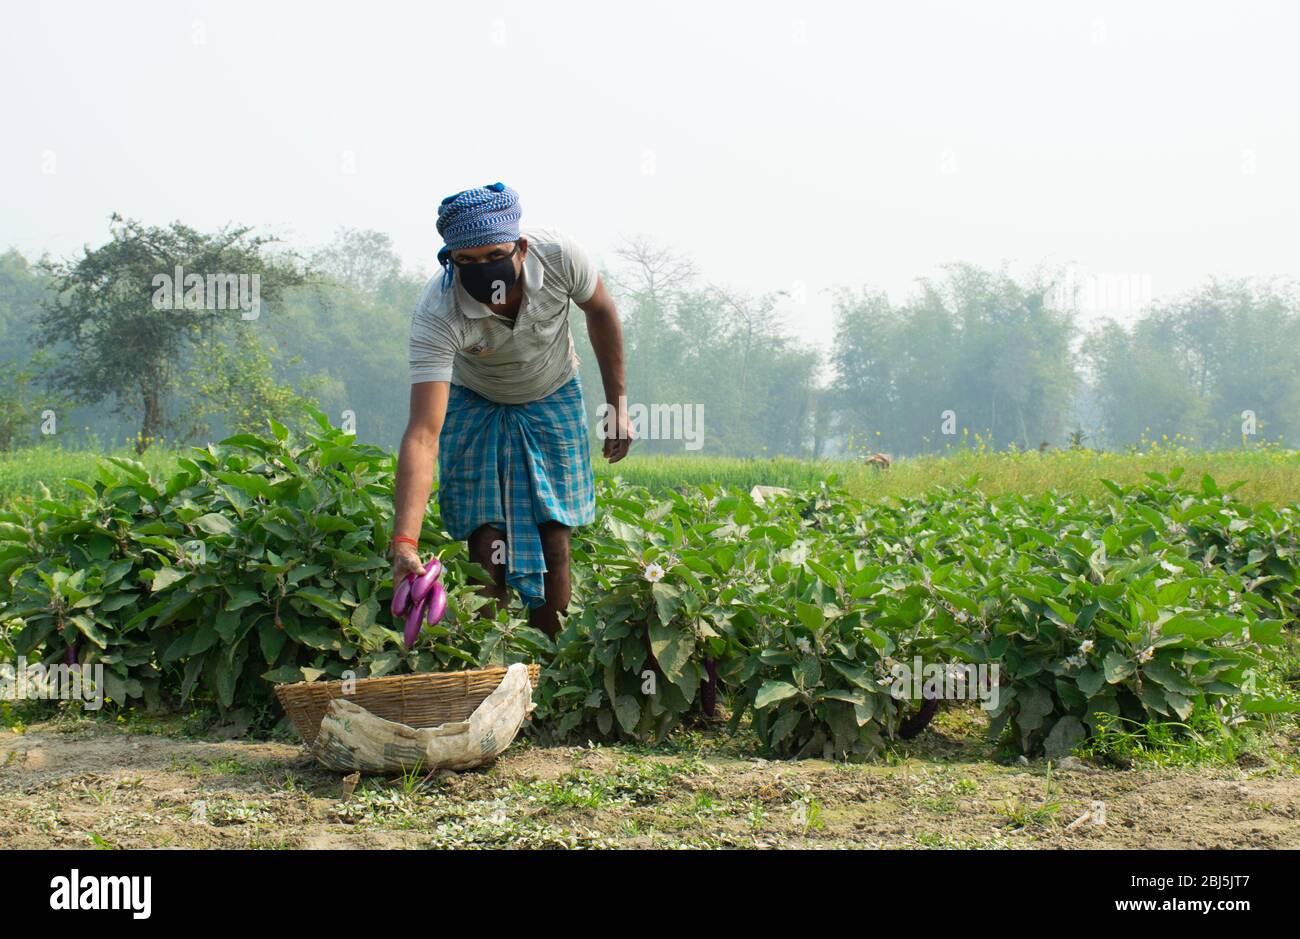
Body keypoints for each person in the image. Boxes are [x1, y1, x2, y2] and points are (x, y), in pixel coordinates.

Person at [391, 182, 630, 637]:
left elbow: (601, 312)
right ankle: (491, 665)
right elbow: (423, 432)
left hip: (552, 390)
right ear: (450, 260)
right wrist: (404, 543)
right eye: (467, 262)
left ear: (521, 248)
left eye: (494, 255)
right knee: (488, 544)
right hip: (475, 401)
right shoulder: (439, 314)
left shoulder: (561, 257)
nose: (483, 270)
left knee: (555, 538)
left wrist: (618, 404)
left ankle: (549, 662)